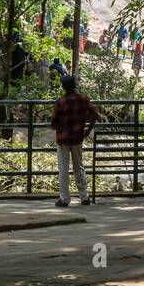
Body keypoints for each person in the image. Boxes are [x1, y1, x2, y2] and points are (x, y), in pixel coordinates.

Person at [48, 74, 99, 208]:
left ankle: (64, 199)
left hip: (63, 139)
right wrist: (88, 130)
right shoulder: (83, 99)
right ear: (75, 86)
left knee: (63, 169)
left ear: (63, 87)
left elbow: (53, 123)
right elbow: (96, 115)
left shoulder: (61, 102)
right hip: (77, 138)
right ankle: (84, 196)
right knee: (79, 167)